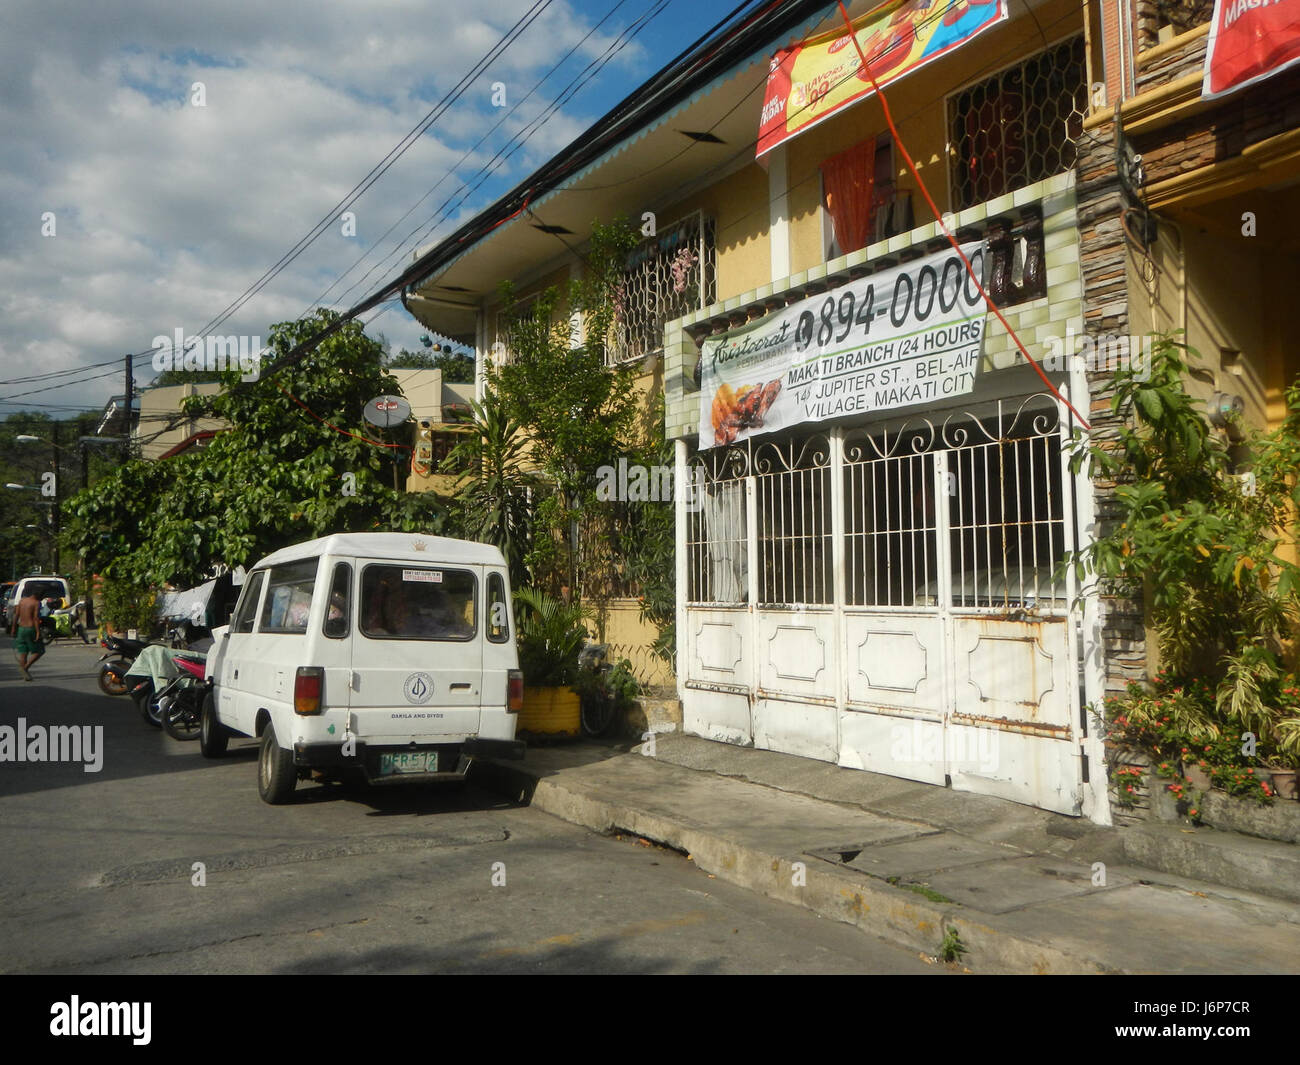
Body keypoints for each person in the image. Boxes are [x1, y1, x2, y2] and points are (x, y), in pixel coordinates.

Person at [10, 590, 45, 681]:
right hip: (30, 629)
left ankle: (25, 675)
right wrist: (38, 632)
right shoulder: (36, 603)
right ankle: (25, 668)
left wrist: (13, 628)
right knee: (40, 651)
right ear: (39, 596)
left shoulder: (22, 601)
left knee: (23, 652)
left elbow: (16, 615)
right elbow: (35, 618)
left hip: (21, 629)